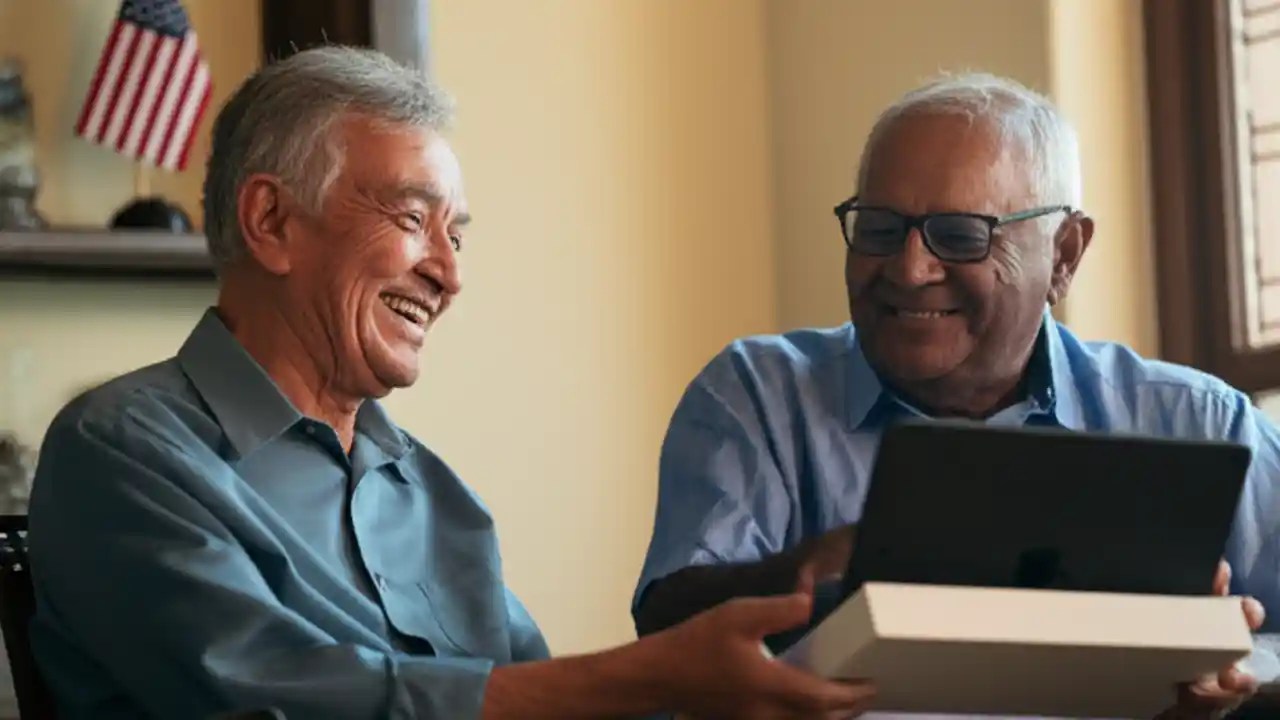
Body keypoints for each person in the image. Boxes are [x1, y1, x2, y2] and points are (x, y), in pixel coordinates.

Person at [27, 47, 875, 720]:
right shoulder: (119, 450)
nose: (447, 273)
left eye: (457, 237)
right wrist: (657, 676)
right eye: (410, 219)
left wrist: (753, 672)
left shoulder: (431, 491)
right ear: (272, 221)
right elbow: (287, 700)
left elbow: (552, 702)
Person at [632, 73, 1278, 720]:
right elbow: (667, 638)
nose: (910, 270)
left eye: (962, 235)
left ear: (1064, 255)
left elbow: (1261, 649)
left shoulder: (1200, 421)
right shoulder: (758, 396)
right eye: (880, 229)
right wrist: (808, 575)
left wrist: (1228, 659)